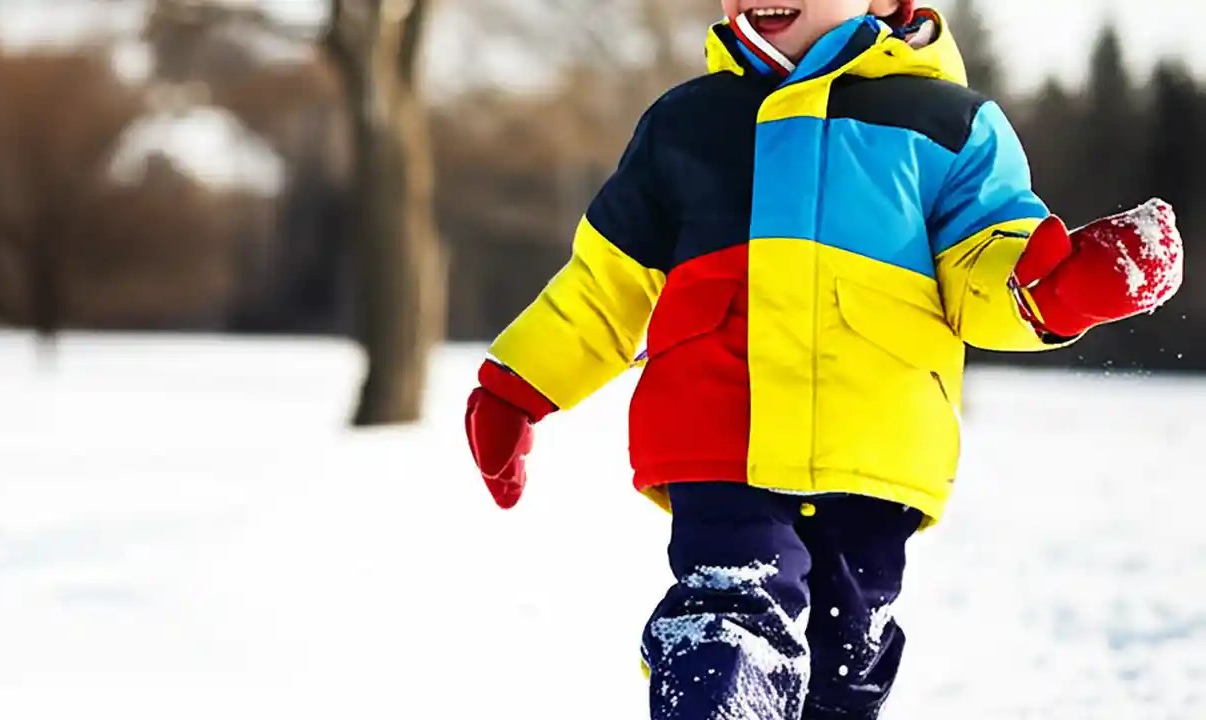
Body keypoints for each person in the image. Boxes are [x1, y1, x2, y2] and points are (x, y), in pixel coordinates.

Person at [462, 2, 1184, 718]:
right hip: (721, 437)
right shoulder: (685, 125)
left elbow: (982, 277)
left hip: (871, 449)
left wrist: (1055, 289)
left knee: (847, 663)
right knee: (727, 623)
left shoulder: (948, 125)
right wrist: (518, 384)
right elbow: (605, 285)